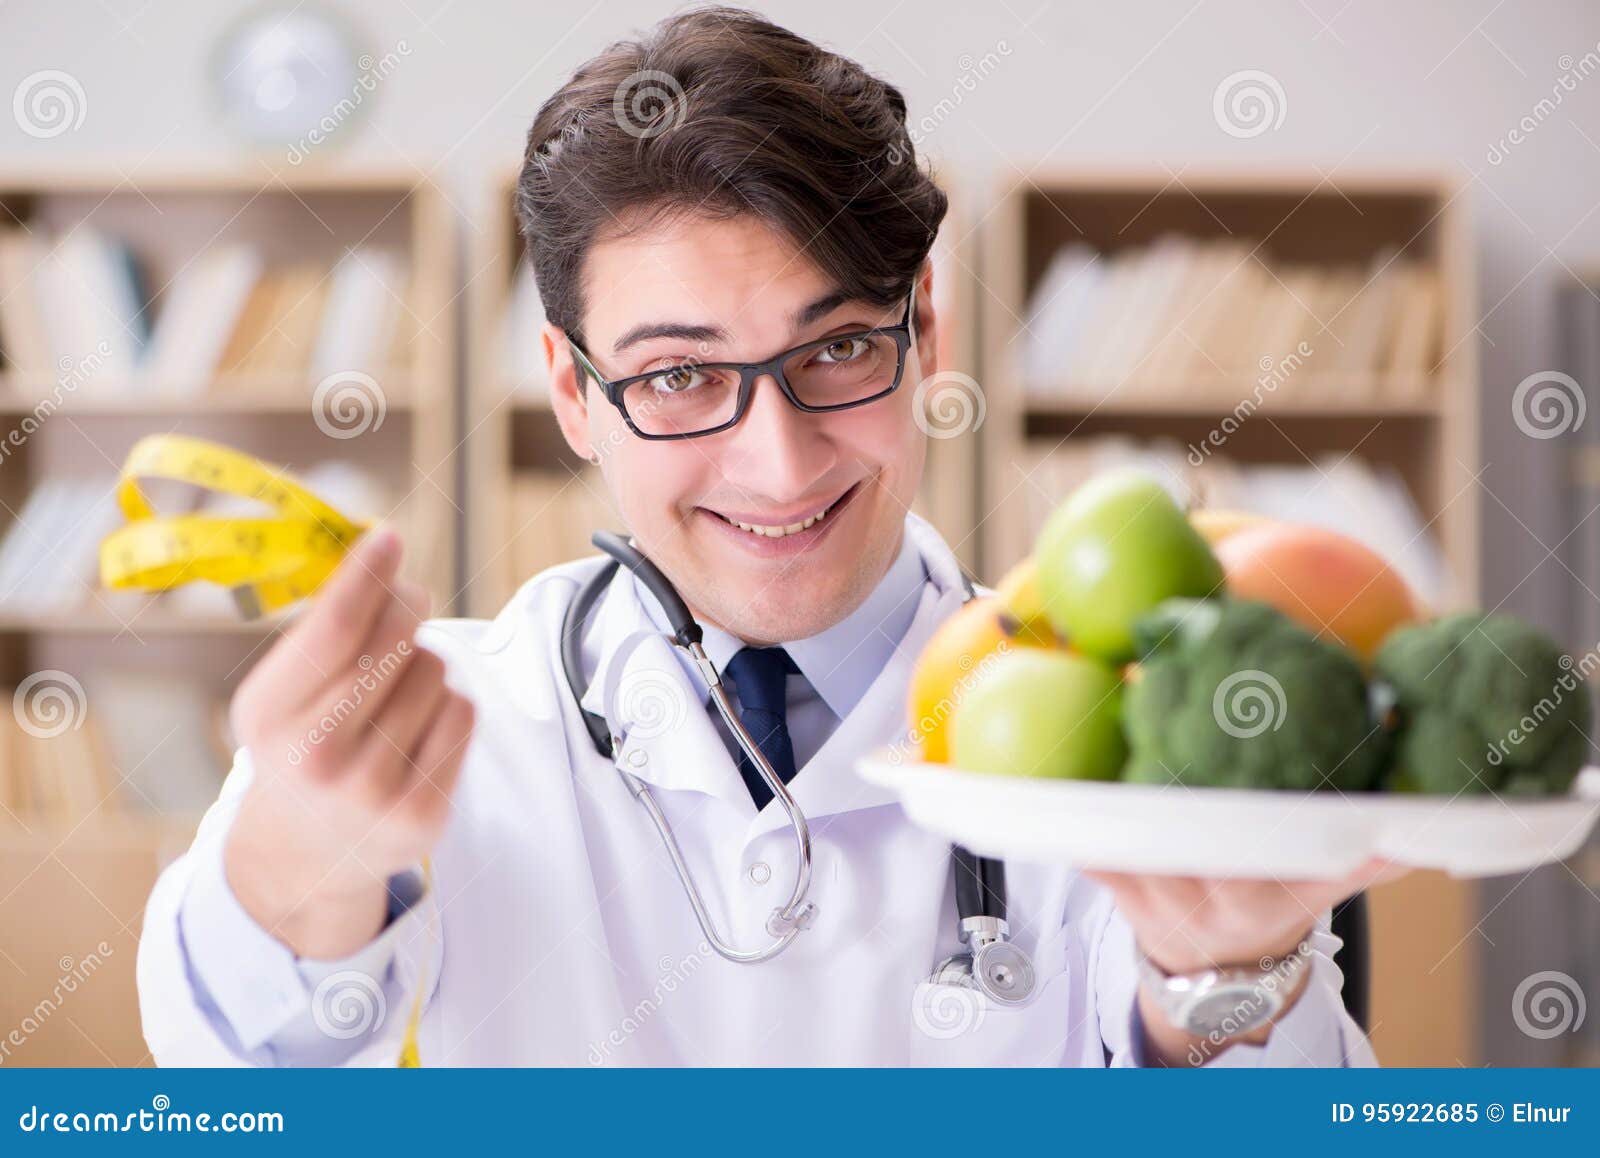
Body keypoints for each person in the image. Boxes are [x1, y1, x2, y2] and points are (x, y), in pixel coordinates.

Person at [137, 6, 1387, 1067]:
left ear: (925, 338)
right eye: (680, 376)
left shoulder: (1119, 734)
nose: (779, 461)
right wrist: (295, 883)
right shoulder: (428, 730)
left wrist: (1220, 973)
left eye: (838, 349)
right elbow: (239, 1078)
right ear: (575, 394)